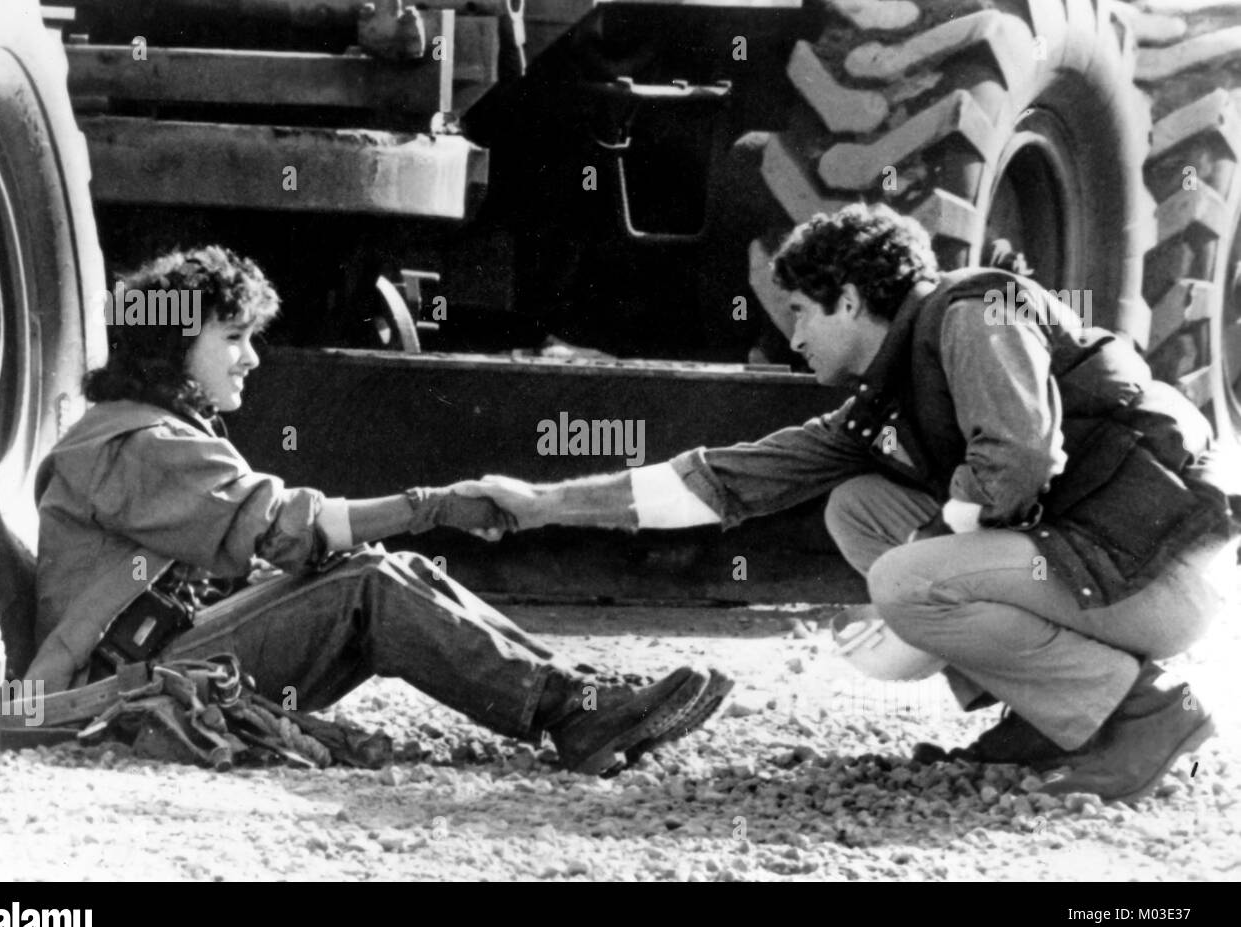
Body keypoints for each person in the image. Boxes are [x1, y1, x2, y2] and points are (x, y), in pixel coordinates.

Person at [454, 204, 1241, 802]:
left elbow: (1022, 451)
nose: (789, 335)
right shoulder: (880, 403)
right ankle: (1049, 713)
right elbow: (719, 479)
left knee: (909, 579)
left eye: (799, 311)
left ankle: (1149, 714)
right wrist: (539, 502)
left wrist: (936, 548)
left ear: (854, 298)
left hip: (1162, 574)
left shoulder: (975, 309)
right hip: (1106, 567)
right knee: (858, 509)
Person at [25, 245, 732, 775]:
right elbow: (293, 532)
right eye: (233, 337)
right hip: (126, 688)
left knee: (382, 570)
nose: (251, 359)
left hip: (159, 659)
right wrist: (434, 505)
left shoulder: (145, 431)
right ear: (173, 344)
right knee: (369, 582)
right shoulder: (141, 443)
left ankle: (578, 700)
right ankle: (573, 713)